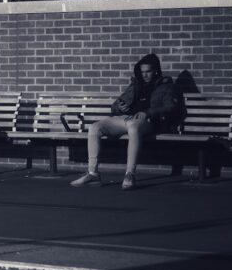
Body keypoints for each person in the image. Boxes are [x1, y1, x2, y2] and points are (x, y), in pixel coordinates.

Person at [70, 53, 185, 190]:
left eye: (148, 71)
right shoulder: (135, 84)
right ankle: (93, 174)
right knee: (95, 127)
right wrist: (119, 107)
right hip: (126, 118)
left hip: (148, 121)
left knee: (133, 127)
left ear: (156, 71)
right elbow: (115, 105)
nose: (144, 75)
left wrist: (148, 113)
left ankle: (129, 174)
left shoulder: (167, 87)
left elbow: (171, 107)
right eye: (142, 72)